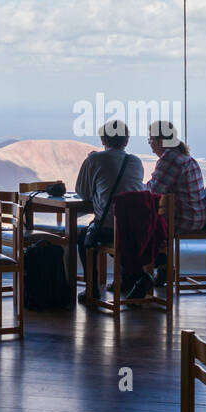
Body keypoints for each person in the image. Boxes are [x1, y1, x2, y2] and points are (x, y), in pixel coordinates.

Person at [74, 119, 144, 302]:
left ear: (103, 139)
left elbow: (83, 192)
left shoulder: (95, 159)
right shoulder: (136, 162)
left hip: (111, 229)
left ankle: (92, 288)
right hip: (137, 228)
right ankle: (134, 277)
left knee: (84, 239)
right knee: (117, 238)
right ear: (126, 140)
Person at [146, 119, 205, 231]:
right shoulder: (184, 156)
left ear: (161, 141)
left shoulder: (170, 159)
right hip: (198, 218)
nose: (150, 144)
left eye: (151, 140)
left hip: (185, 221)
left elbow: (153, 192)